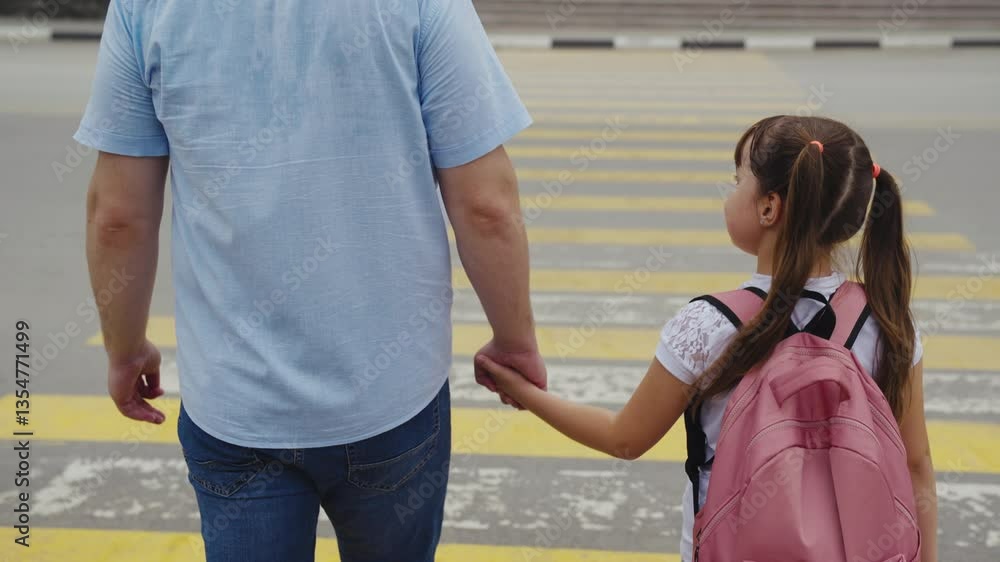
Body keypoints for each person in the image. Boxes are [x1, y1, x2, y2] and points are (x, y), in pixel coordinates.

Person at [77, 0, 544, 560]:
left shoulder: (143, 8)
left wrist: (124, 350)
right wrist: (514, 342)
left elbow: (118, 218)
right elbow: (487, 206)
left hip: (236, 409)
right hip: (391, 400)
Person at [477, 115, 938, 562]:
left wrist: (523, 392)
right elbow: (915, 466)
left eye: (737, 180)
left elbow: (625, 439)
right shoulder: (887, 322)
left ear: (769, 207)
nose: (730, 192)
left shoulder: (710, 324)